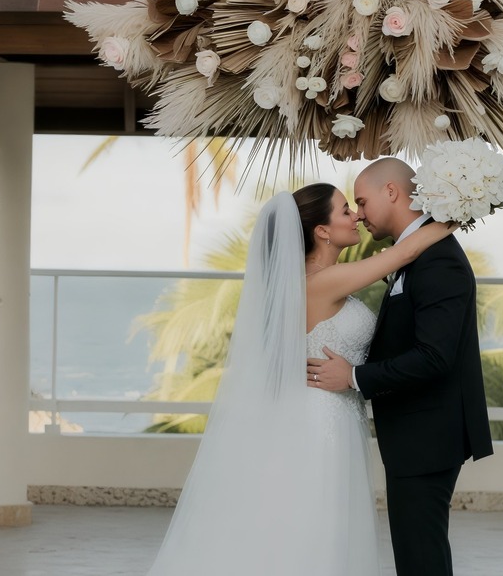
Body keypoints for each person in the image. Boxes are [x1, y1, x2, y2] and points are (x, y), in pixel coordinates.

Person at [146, 184, 454, 576]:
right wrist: (462, 206)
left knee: (313, 526)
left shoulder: (315, 279)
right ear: (322, 231)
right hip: (320, 418)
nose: (356, 216)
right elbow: (405, 251)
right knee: (316, 527)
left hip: (329, 410)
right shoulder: (323, 281)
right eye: (346, 210)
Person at [308, 157, 494, 576]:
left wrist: (354, 377)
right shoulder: (414, 253)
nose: (358, 214)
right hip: (412, 433)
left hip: (427, 435)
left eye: (361, 201)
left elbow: (434, 356)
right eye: (348, 208)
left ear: (391, 192)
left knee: (419, 555)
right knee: (417, 553)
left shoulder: (437, 258)